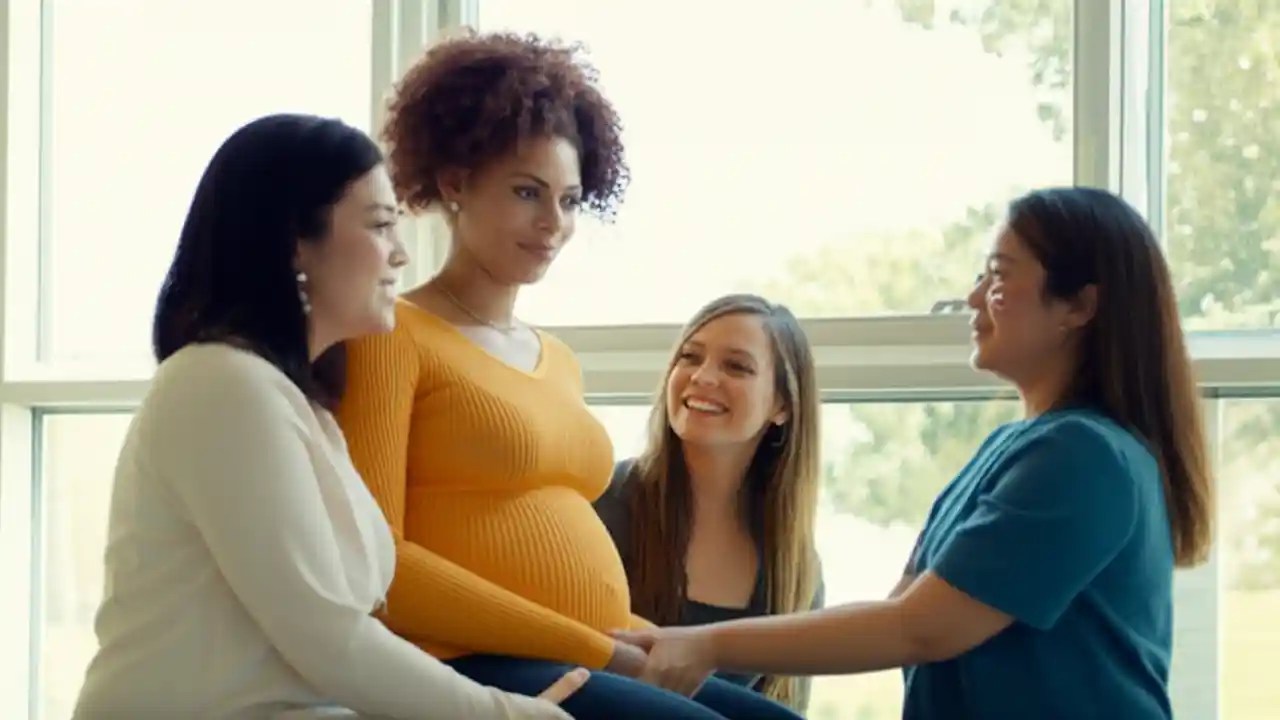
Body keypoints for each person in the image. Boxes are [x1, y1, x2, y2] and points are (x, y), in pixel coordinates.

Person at [335, 31, 802, 720]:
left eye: (571, 200)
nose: (553, 223)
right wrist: (602, 647)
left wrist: (638, 637)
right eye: (528, 192)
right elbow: (378, 569)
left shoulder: (558, 361)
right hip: (463, 662)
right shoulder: (391, 337)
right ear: (456, 183)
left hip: (585, 652)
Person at [615, 187, 1214, 720]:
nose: (974, 297)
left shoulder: (1085, 458)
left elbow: (919, 630)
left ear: (1080, 306)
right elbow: (895, 613)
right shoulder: (1012, 449)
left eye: (999, 277)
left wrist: (706, 645)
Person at [72, 113, 585, 719]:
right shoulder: (220, 385)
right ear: (295, 243)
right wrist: (507, 714)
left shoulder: (301, 405)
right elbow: (327, 636)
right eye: (379, 225)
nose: (399, 254)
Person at [594, 294, 825, 713]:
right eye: (689, 357)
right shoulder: (603, 499)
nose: (702, 377)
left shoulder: (794, 567)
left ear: (783, 406)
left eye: (736, 366)